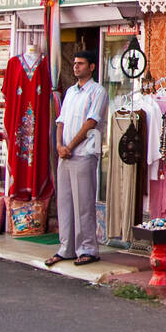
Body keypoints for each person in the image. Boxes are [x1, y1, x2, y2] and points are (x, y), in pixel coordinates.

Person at [45, 51, 108, 267]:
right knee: (64, 202)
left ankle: (88, 248)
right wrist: (59, 146)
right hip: (65, 154)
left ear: (91, 67)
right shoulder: (71, 92)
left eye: (81, 64)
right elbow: (60, 120)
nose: (76, 67)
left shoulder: (98, 91)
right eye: (74, 63)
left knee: (83, 203)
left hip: (83, 153)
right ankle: (66, 248)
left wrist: (70, 146)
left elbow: (91, 122)